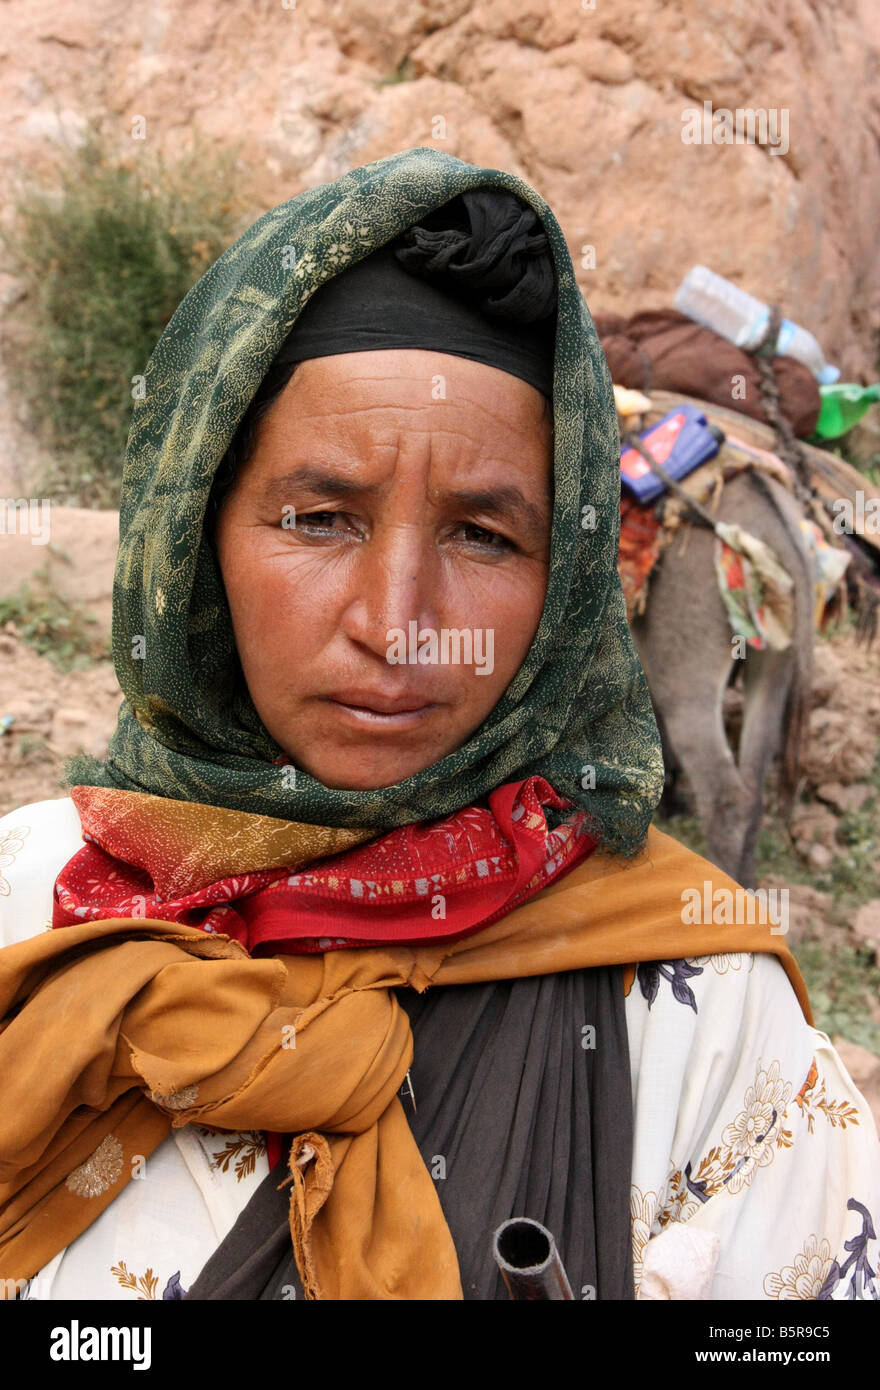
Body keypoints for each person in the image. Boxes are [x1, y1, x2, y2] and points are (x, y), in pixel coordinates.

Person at [0, 146, 877, 1303]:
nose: (396, 622)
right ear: (197, 534)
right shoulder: (31, 900)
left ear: (561, 579)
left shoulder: (704, 1022)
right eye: (317, 517)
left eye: (482, 535)